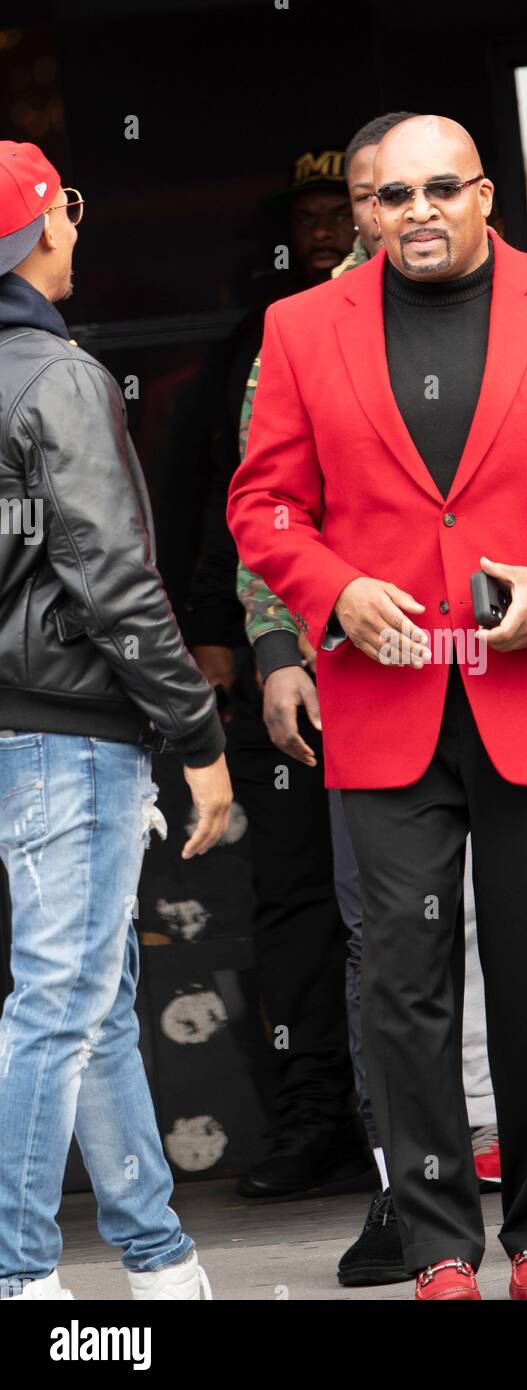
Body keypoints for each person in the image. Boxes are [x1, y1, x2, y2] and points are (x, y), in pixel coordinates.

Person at [228, 113, 527, 1300]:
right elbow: (265, 507)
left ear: (485, 195)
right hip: (384, 708)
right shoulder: (298, 328)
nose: (414, 211)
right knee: (402, 981)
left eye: (440, 188)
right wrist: (331, 594)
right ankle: (435, 1243)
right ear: (362, 213)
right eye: (386, 196)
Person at [0, 141, 233, 1300]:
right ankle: (21, 1276)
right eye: (70, 208)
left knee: (86, 1003)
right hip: (65, 729)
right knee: (59, 1004)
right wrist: (197, 738)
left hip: (17, 731)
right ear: (43, 228)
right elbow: (114, 580)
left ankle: (158, 1259)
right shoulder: (55, 376)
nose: (79, 228)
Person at [184, 148, 372, 1205]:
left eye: (333, 208)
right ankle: (317, 1113)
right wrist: (227, 627)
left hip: (411, 654)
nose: (322, 229)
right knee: (299, 895)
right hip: (288, 648)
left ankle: (465, 1122)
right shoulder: (261, 339)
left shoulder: (432, 317)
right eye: (308, 211)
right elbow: (236, 494)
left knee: (418, 906)